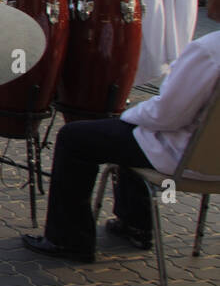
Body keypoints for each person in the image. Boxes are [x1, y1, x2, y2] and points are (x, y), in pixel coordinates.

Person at [23, 30, 220, 262]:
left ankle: (68, 240)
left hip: (184, 156)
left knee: (74, 137)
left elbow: (167, 115)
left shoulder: (209, 49)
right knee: (124, 134)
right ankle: (135, 225)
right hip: (211, 161)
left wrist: (129, 115)